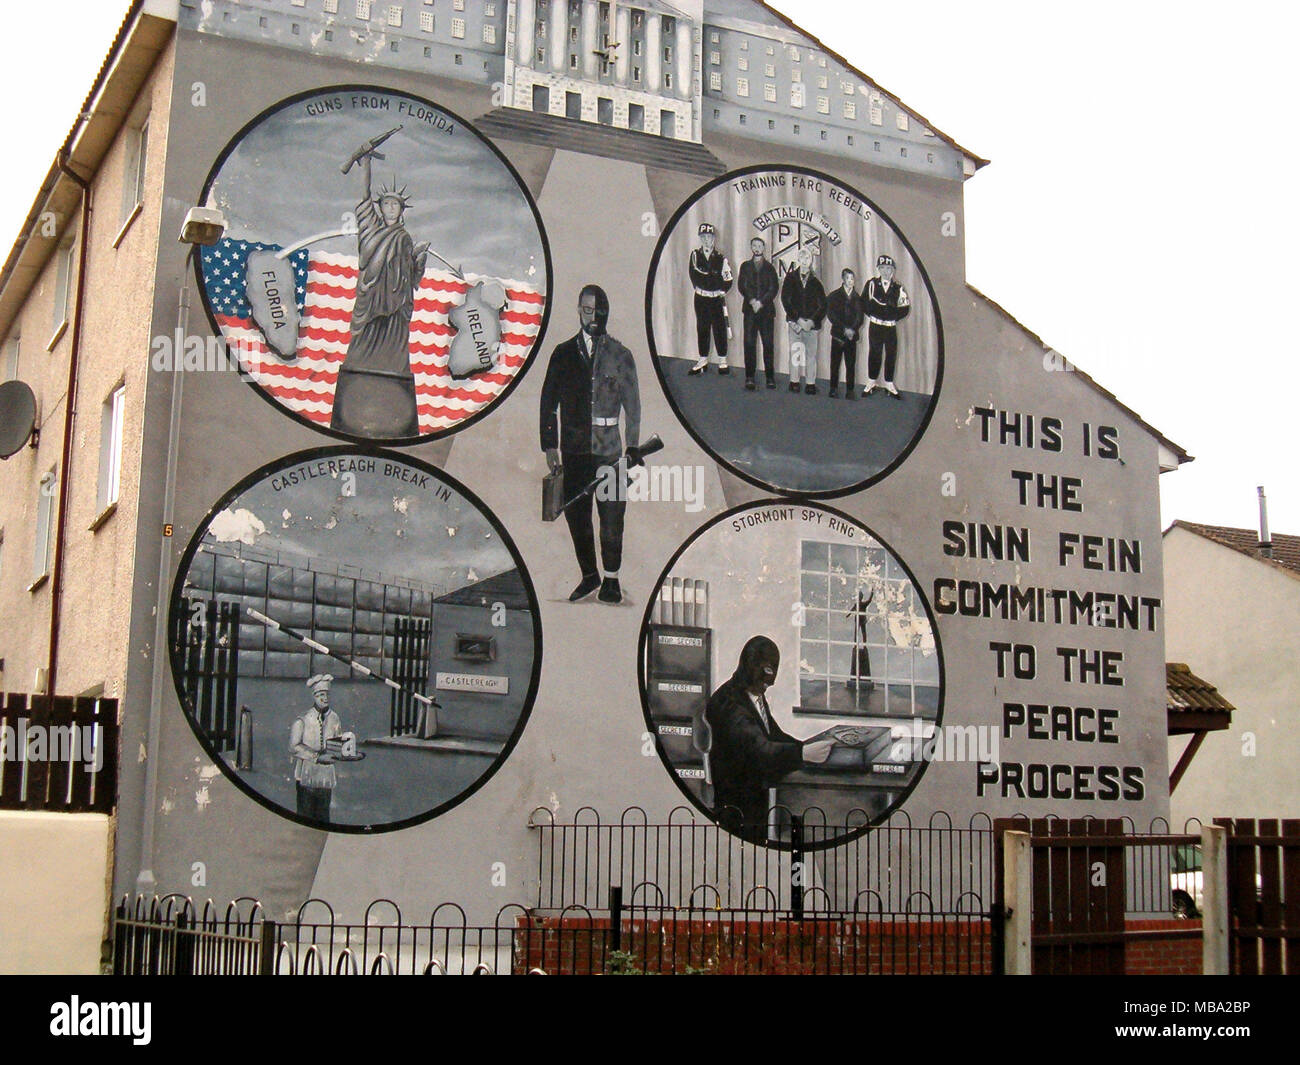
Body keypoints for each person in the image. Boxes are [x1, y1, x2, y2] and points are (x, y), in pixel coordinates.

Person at [539, 284, 642, 605]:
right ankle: (589, 576)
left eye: (598, 310)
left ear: (606, 312)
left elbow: (634, 407)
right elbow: (547, 402)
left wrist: (633, 448)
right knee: (577, 517)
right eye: (587, 310)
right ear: (578, 311)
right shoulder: (562, 353)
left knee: (612, 518)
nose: (593, 316)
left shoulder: (621, 355)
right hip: (573, 450)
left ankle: (611, 580)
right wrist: (549, 446)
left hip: (610, 450)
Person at [704, 636, 833, 843]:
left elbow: (773, 734)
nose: (769, 684)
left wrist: (803, 746)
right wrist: (802, 753)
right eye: (766, 675)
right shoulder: (729, 704)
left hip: (754, 793)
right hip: (740, 804)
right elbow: (759, 749)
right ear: (752, 668)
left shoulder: (751, 693)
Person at [290, 674, 344, 822]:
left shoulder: (335, 718)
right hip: (306, 778)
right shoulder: (303, 719)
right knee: (305, 817)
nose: (324, 698)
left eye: (326, 694)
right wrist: (317, 757)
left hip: (325, 778)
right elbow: (294, 747)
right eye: (321, 695)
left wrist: (342, 751)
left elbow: (337, 741)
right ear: (314, 696)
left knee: (323, 817)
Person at [861, 254, 911, 398]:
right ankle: (872, 381)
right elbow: (863, 302)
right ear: (878, 269)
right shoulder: (871, 284)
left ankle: (889, 382)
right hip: (875, 325)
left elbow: (905, 307)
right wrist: (873, 314)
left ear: (893, 270)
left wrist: (892, 315)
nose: (886, 272)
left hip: (890, 327)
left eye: (889, 269)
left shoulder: (898, 288)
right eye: (882, 268)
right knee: (874, 352)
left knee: (891, 353)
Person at [687, 222, 733, 376]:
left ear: (714, 239)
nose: (707, 240)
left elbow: (728, 278)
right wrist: (702, 289)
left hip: (715, 300)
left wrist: (722, 290)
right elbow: (693, 275)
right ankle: (703, 359)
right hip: (701, 298)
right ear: (700, 239)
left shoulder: (721, 258)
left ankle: (722, 360)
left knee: (719, 328)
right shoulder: (695, 255)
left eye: (710, 237)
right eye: (704, 237)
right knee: (702, 327)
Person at [780, 247, 827, 394]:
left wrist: (812, 322)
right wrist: (798, 319)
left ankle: (810, 383)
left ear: (811, 261)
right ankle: (794, 381)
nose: (805, 261)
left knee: (811, 355)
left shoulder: (816, 282)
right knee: (795, 352)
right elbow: (786, 300)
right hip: (795, 324)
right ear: (798, 260)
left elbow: (822, 305)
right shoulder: (790, 278)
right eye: (803, 258)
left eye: (808, 259)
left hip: (811, 326)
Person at [737, 236, 779, 391]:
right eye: (754, 245)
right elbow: (742, 285)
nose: (757, 248)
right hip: (750, 311)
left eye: (759, 245)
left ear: (764, 248)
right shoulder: (745, 266)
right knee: (749, 343)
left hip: (766, 312)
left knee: (768, 344)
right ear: (751, 247)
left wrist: (761, 302)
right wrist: (752, 301)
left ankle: (770, 377)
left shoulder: (770, 268)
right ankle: (749, 377)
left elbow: (773, 288)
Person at [826, 267, 865, 399]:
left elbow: (860, 317)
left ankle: (850, 389)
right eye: (848, 278)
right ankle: (833, 388)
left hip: (851, 337)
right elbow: (831, 315)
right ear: (843, 279)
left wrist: (852, 330)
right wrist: (844, 329)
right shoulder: (834, 296)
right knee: (835, 363)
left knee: (850, 364)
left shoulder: (858, 298)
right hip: (838, 335)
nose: (851, 281)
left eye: (852, 278)